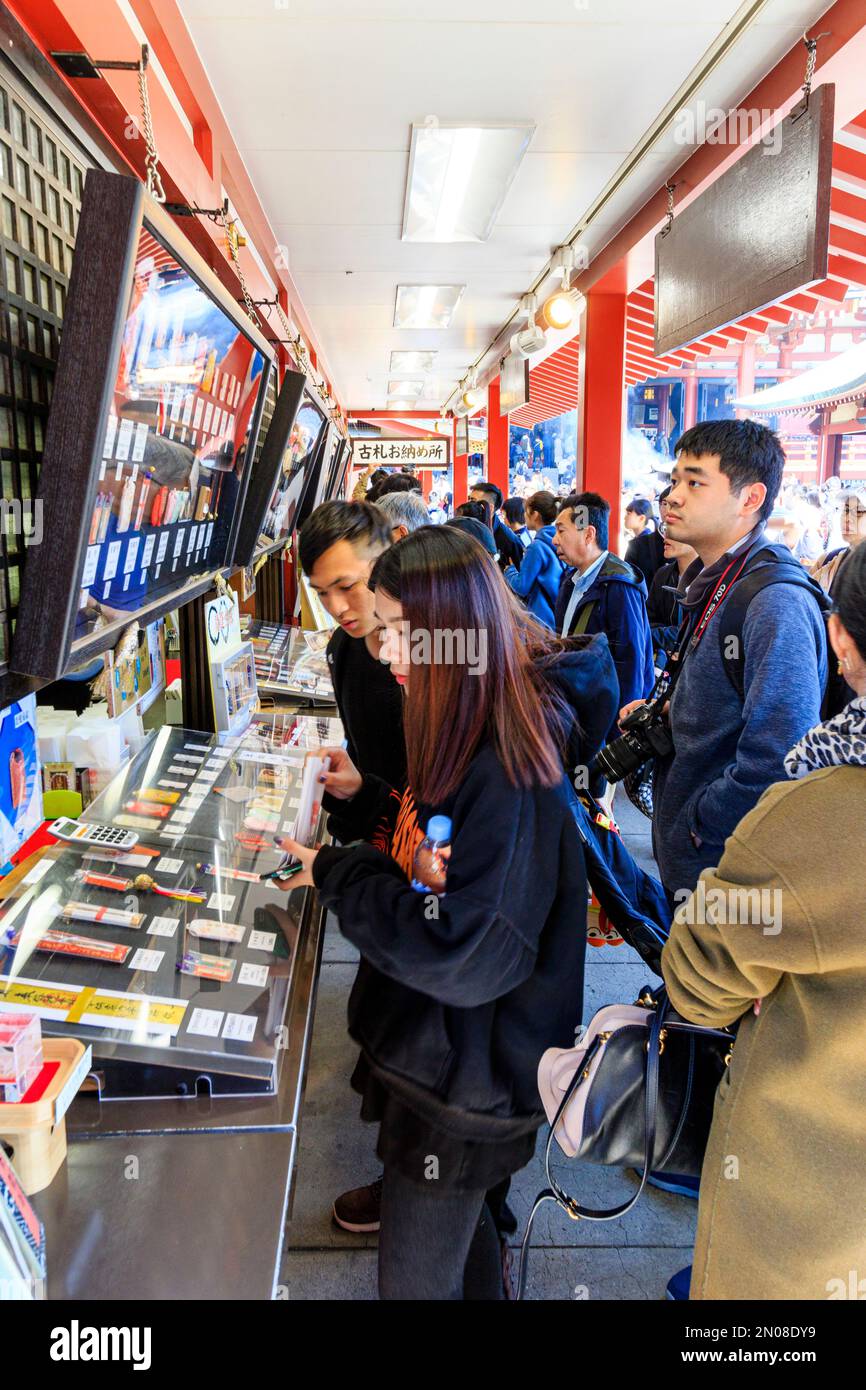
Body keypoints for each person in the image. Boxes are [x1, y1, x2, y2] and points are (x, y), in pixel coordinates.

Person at [278, 527, 590, 1300]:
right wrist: (377, 800)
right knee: (460, 1238)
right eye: (380, 630)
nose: (386, 654)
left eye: (399, 633)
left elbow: (465, 948)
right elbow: (437, 857)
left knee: (416, 1281)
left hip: (467, 1083)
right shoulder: (460, 722)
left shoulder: (507, 764)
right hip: (448, 1062)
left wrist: (337, 872)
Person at [661, 540, 866, 1300]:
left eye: (694, 477)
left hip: (815, 1193)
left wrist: (704, 836)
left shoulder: (817, 816)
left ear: (840, 637)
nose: (675, 496)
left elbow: (699, 980)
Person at [626, 419, 828, 903]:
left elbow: (783, 752)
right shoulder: (720, 580)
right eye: (674, 480)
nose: (672, 496)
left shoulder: (772, 599)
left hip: (733, 873)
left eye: (695, 482)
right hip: (702, 865)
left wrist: (702, 822)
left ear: (750, 498)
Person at [298, 501, 406, 795]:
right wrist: (358, 790)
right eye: (321, 593)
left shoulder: (436, 650)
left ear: (385, 559)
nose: (336, 608)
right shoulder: (341, 648)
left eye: (347, 586)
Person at [553, 491, 655, 738]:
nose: (555, 540)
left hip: (605, 722)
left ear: (589, 534)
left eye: (561, 531)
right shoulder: (571, 579)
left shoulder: (619, 585)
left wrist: (621, 729)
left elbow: (631, 661)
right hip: (578, 711)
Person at [646, 486, 697, 659]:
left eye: (674, 528)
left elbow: (697, 633)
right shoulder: (663, 575)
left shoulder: (712, 579)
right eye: (665, 527)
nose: (666, 535)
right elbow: (647, 624)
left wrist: (667, 637)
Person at [502, 490, 563, 629]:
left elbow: (522, 586)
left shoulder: (536, 547)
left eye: (526, 511)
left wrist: (509, 570)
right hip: (558, 613)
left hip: (540, 618)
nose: (524, 515)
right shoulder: (559, 540)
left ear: (535, 515)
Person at [469, 480, 524, 573]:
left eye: (473, 502)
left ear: (490, 508)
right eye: (469, 500)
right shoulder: (468, 528)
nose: (468, 505)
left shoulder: (509, 540)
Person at [623, 497, 665, 586]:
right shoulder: (651, 540)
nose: (625, 517)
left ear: (641, 518)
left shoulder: (639, 544)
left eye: (629, 513)